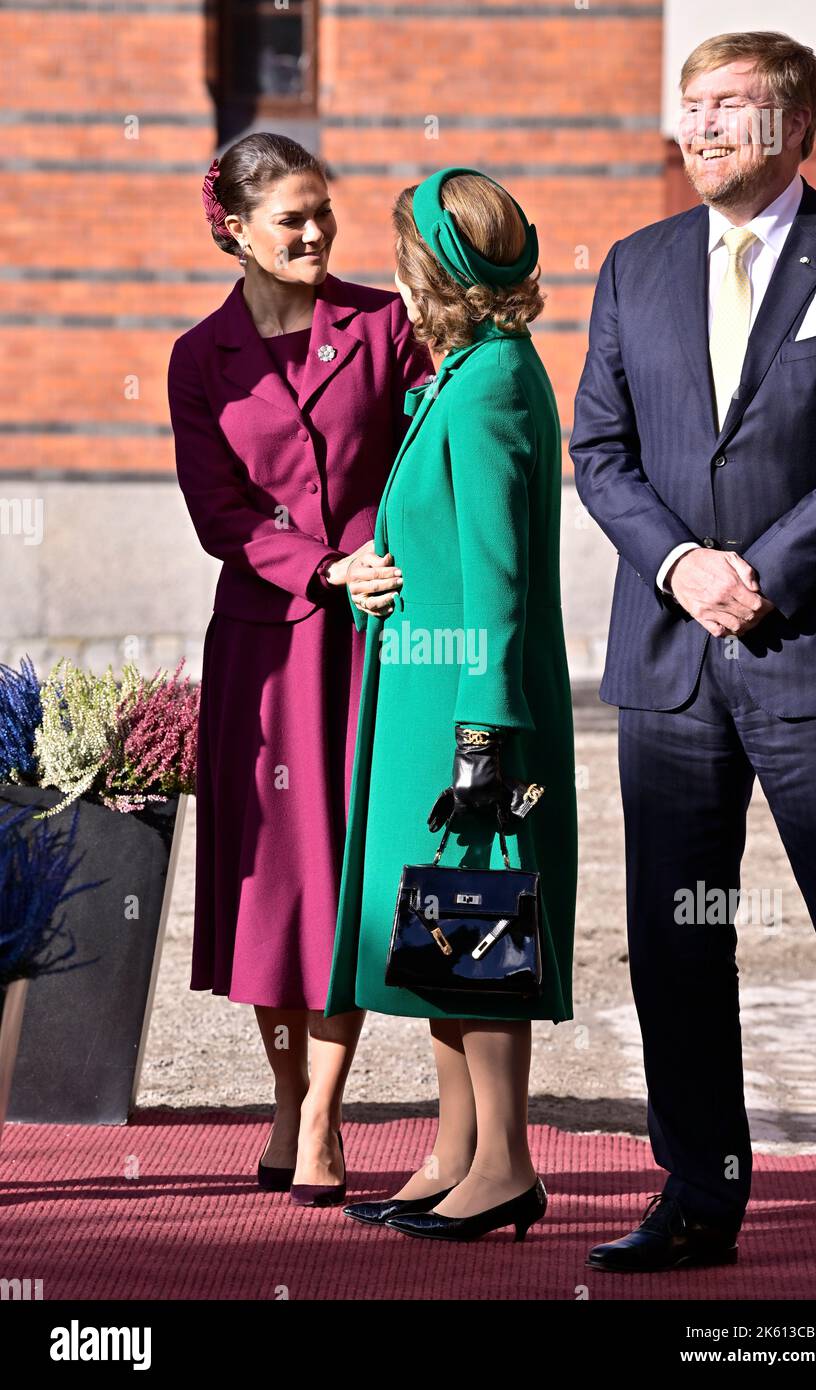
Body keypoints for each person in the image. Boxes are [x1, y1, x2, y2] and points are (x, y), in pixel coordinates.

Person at [569, 30, 816, 1279]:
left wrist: (771, 568)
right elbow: (601, 450)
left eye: (732, 108)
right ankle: (699, 1196)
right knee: (681, 944)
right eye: (691, 107)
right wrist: (686, 568)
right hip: (673, 663)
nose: (701, 128)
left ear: (796, 127)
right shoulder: (634, 267)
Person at [166, 133, 433, 1204]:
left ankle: (323, 1113)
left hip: (376, 635)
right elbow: (218, 514)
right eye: (292, 218)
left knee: (345, 879)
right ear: (232, 229)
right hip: (267, 643)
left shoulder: (383, 324)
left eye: (324, 211)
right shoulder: (198, 358)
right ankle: (288, 1100)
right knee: (277, 888)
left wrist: (398, 560)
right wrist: (319, 568)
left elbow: (433, 453)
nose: (317, 232)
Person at [324, 167, 578, 1242]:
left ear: (430, 265)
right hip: (431, 686)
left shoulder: (488, 384)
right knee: (443, 921)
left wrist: (483, 734)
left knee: (475, 922)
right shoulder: (469, 370)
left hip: (471, 703)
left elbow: (499, 571)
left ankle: (508, 1163)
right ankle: (456, 1147)